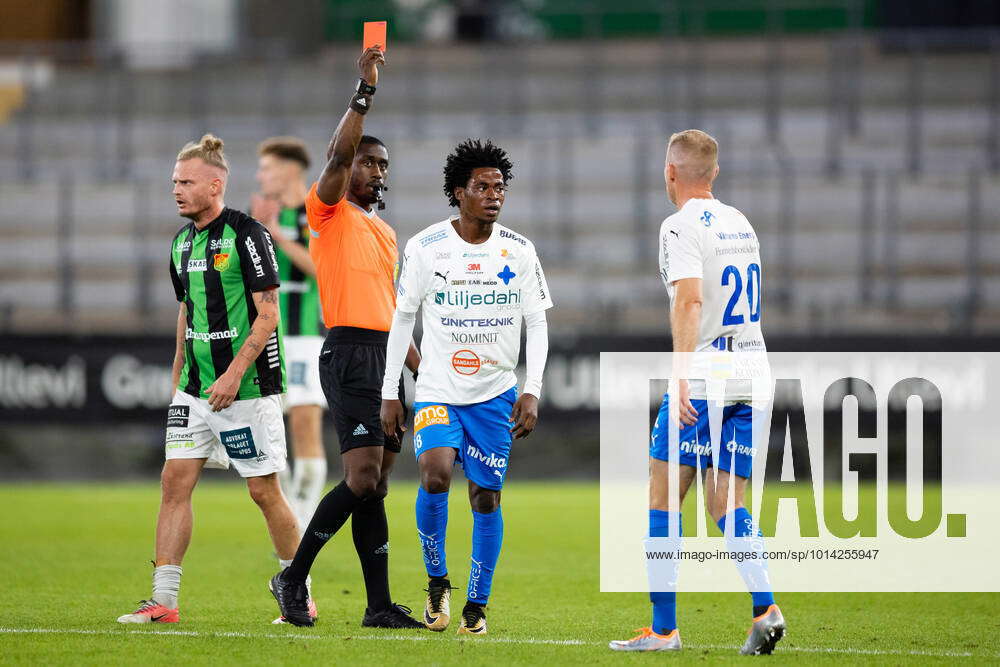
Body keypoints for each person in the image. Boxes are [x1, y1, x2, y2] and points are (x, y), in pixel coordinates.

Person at [117, 134, 306, 624]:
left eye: (185, 182)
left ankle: (298, 592)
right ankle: (164, 600)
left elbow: (269, 314)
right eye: (174, 182)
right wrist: (179, 372)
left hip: (246, 388)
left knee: (263, 491)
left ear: (215, 185)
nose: (176, 190)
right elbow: (187, 309)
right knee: (173, 482)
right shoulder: (181, 243)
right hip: (195, 389)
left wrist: (233, 374)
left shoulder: (249, 235)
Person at [609, 130, 784, 654]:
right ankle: (765, 608)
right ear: (714, 173)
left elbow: (690, 301)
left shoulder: (679, 225)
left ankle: (664, 630)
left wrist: (681, 375)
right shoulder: (740, 221)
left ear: (670, 173)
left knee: (664, 493)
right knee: (726, 500)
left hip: (707, 373)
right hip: (753, 369)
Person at [268, 45, 423, 629]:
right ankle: (293, 576)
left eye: (383, 165)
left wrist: (420, 365)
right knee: (360, 477)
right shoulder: (328, 210)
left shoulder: (385, 231)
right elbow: (337, 152)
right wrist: (365, 92)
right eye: (368, 161)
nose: (377, 171)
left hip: (387, 356)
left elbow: (392, 307)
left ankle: (378, 606)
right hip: (349, 352)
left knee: (376, 484)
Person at [380, 139, 553, 635]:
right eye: (482, 187)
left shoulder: (519, 250)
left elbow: (537, 323)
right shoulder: (426, 247)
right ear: (459, 192)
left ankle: (476, 605)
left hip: (496, 395)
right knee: (434, 476)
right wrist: (391, 390)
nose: (494, 195)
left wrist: (532, 389)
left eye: (499, 187)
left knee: (485, 499)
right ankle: (437, 582)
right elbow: (403, 319)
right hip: (437, 389)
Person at [251, 137, 328, 534]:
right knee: (268, 432)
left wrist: (277, 234)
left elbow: (321, 267)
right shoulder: (264, 217)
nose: (260, 176)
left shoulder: (316, 212)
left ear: (291, 169)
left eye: (267, 168)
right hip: (268, 338)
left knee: (304, 426)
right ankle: (288, 522)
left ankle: (304, 523)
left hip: (305, 336)